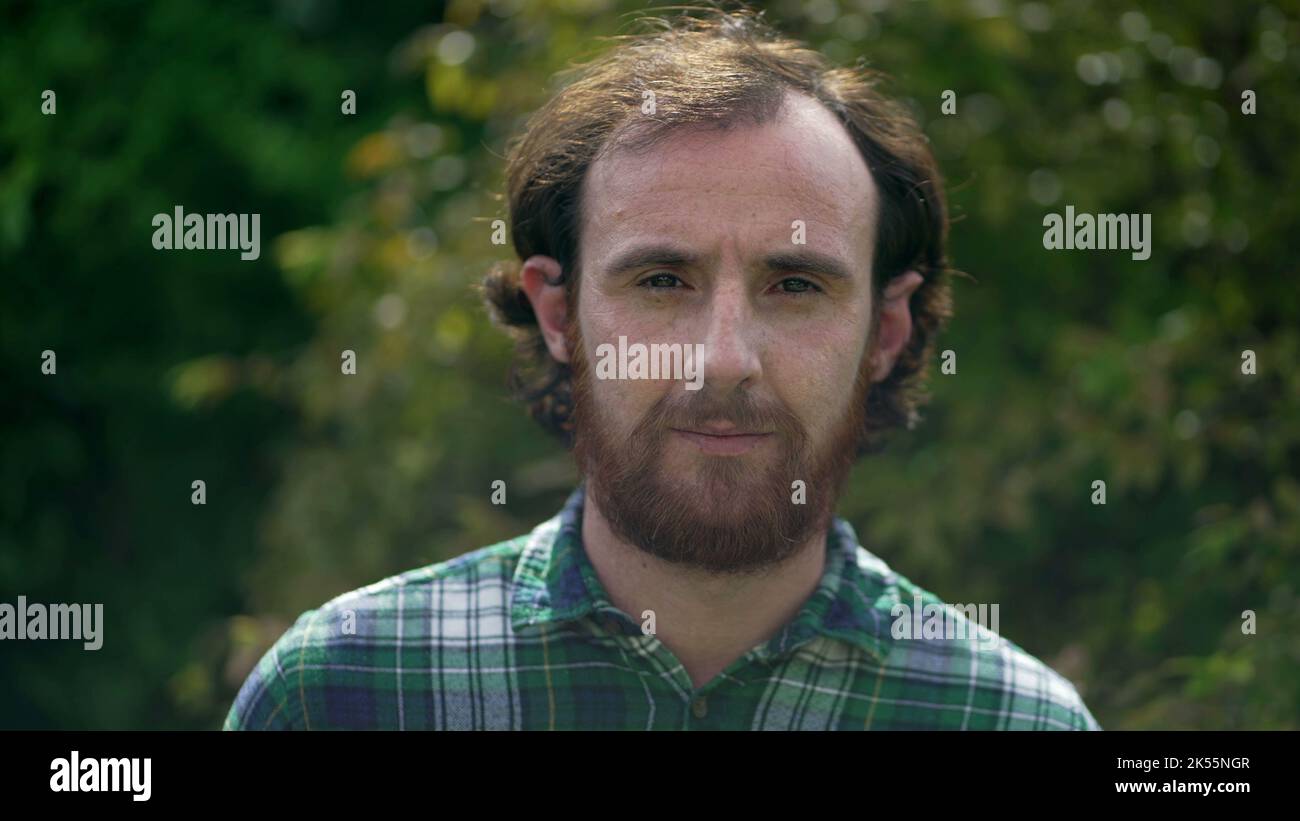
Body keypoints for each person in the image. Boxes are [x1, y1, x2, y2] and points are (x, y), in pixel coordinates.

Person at [226, 6, 1100, 730]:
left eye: (795, 284)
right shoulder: (339, 693)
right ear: (559, 311)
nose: (723, 359)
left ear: (885, 330)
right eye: (660, 280)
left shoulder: (1016, 721)